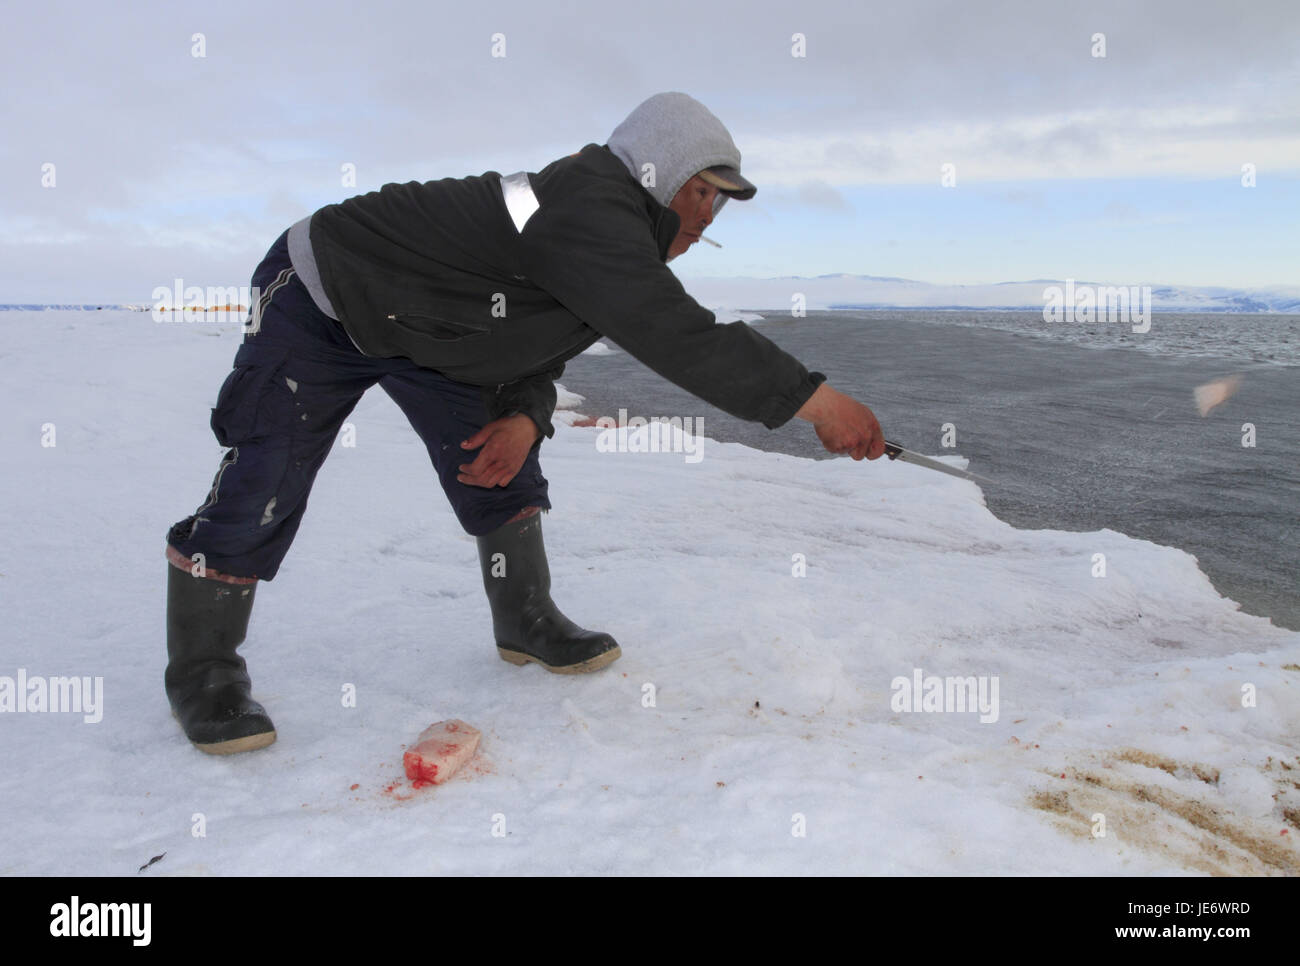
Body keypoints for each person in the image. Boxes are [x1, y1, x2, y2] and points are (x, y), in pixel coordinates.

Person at [164, 91, 885, 755]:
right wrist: (816, 401)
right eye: (700, 191)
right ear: (657, 171)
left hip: (434, 333)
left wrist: (528, 417)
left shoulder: (586, 218)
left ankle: (526, 620)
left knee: (500, 454)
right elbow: (677, 336)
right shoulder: (591, 209)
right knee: (267, 474)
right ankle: (203, 674)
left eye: (720, 203)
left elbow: (539, 335)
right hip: (324, 297)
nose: (706, 214)